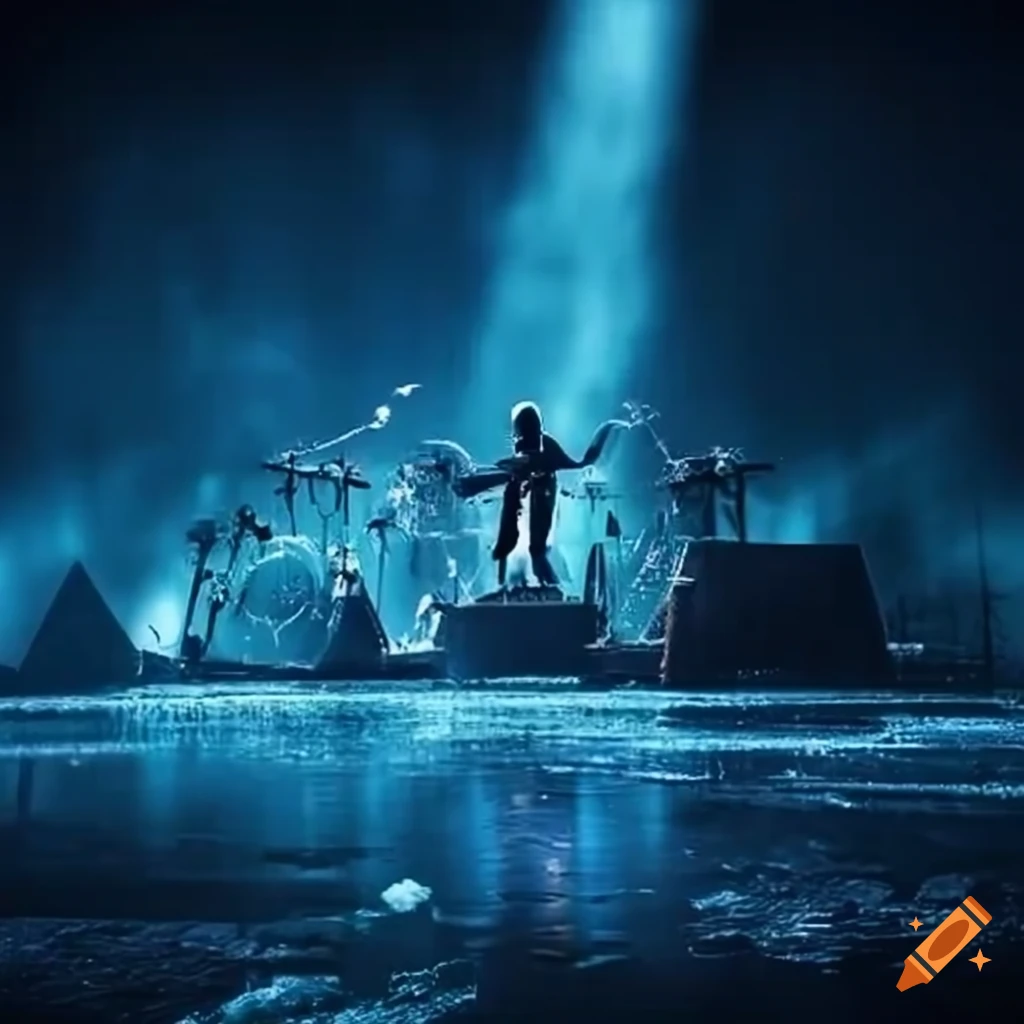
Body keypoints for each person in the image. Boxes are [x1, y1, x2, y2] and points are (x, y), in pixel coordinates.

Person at [456, 401, 627, 587]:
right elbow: (513, 471)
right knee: (529, 551)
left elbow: (519, 468)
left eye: (517, 431)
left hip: (541, 496)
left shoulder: (542, 448)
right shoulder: (537, 449)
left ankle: (548, 586)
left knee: (536, 551)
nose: (515, 439)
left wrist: (475, 483)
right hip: (533, 498)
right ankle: (532, 584)